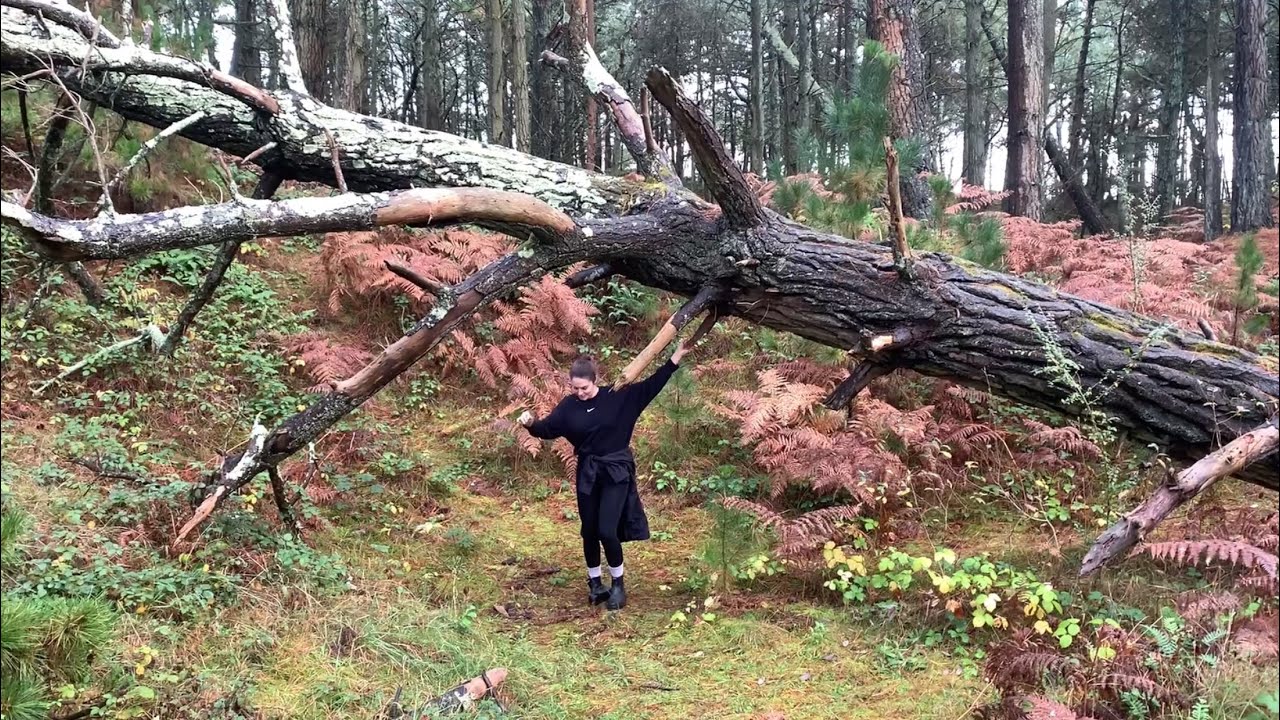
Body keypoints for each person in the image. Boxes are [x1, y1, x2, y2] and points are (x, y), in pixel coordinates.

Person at [517, 342, 692, 611]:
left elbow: (651, 386)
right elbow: (547, 429)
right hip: (588, 473)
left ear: (595, 380)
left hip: (615, 472)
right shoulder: (569, 406)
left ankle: (618, 585)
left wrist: (675, 358)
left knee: (606, 530)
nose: (580, 393)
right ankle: (595, 584)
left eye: (584, 388)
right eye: (575, 388)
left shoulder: (618, 396)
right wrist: (530, 424)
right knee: (589, 531)